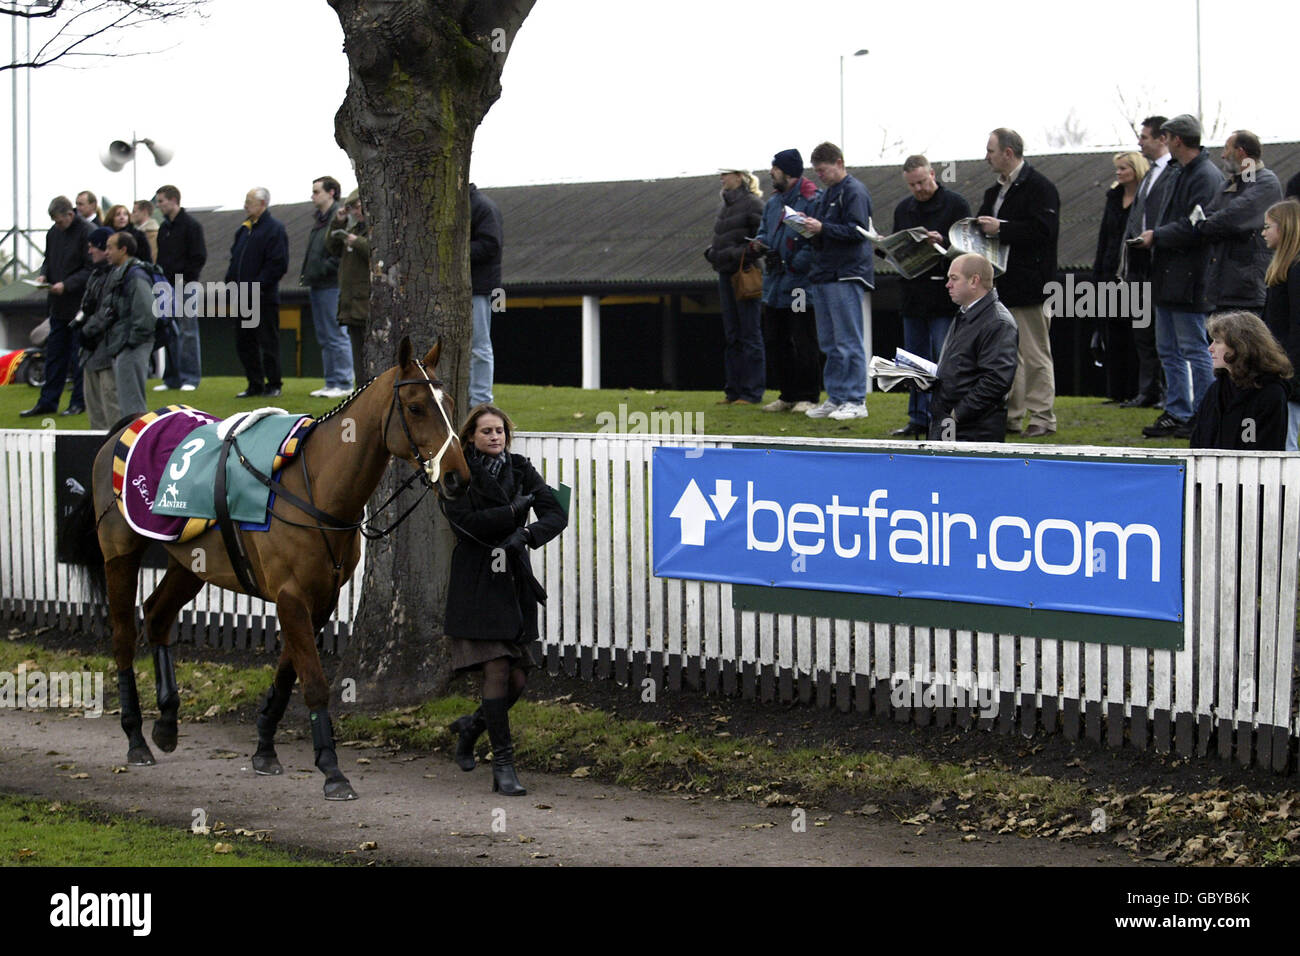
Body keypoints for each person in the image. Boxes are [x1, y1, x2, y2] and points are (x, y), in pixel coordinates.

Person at [441, 404, 568, 796]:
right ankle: (503, 767)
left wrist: (526, 535)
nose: (495, 437)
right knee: (496, 669)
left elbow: (556, 513)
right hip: (477, 581)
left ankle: (470, 727)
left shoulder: (520, 467)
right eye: (486, 432)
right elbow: (465, 524)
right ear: (471, 437)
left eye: (500, 431)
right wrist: (513, 510)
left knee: (517, 678)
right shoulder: (457, 473)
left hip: (513, 579)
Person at [1138, 114, 1225, 438]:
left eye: (1169, 135)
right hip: (1169, 277)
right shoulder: (1181, 171)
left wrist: (1156, 236)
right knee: (1169, 350)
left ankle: (1202, 413)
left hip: (1190, 279)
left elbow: (1197, 226)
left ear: (1176, 139)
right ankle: (1177, 411)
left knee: (1194, 350)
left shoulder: (1204, 175)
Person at [977, 128, 1060, 438]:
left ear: (1007, 153)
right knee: (1009, 355)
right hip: (1003, 286)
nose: (986, 157)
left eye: (990, 151)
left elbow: (1044, 231)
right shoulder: (992, 193)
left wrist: (1002, 227)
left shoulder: (1040, 188)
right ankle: (1011, 415)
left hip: (1031, 285)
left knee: (1035, 352)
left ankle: (1042, 417)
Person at [891, 154, 971, 435]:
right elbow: (897, 245)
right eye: (912, 185)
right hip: (913, 294)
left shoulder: (956, 205)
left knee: (944, 360)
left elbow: (970, 248)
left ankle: (946, 418)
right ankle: (918, 417)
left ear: (933, 175)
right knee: (914, 360)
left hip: (943, 295)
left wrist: (944, 242)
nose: (918, 189)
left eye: (922, 182)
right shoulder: (904, 209)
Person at [802, 141, 874, 420]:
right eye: (817, 171)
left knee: (848, 340)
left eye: (823, 170)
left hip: (846, 273)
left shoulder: (854, 191)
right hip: (824, 274)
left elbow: (858, 231)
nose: (820, 175)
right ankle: (836, 396)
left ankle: (856, 400)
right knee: (829, 342)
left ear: (839, 163)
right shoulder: (826, 194)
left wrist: (822, 228)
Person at [753, 149, 822, 414]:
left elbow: (813, 242)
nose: (771, 172)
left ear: (788, 171)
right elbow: (763, 232)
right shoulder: (772, 204)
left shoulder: (810, 200)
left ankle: (809, 395)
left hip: (798, 286)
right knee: (776, 339)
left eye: (775, 167)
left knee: (803, 338)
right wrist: (760, 245)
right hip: (773, 285)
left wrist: (795, 264)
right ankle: (787, 394)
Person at [927, 253, 1019, 442]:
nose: (948, 285)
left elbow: (996, 380)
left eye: (954, 278)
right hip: (952, 425)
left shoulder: (997, 322)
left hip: (973, 431)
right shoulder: (966, 313)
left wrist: (957, 414)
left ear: (974, 281)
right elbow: (960, 368)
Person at [1120, 116, 1174, 409]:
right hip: (1139, 264)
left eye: (1145, 137)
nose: (1140, 142)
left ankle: (1168, 394)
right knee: (1142, 330)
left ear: (1162, 138)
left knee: (1163, 333)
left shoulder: (1173, 174)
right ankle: (1148, 390)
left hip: (1160, 264)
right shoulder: (1150, 175)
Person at [20, 196, 91, 418]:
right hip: (57, 307)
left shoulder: (87, 231)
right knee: (54, 357)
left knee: (77, 358)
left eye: (60, 221)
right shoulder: (54, 233)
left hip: (79, 306)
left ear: (70, 214)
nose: (57, 225)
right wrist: (43, 275)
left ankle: (78, 402)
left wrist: (67, 285)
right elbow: (48, 260)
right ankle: (48, 402)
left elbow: (91, 269)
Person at [1199, 131, 1282, 315]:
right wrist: (1215, 222)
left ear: (1241, 152)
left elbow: (1234, 218)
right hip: (1222, 287)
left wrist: (1215, 222)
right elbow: (1207, 219)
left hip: (1247, 288)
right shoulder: (1231, 184)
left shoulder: (1266, 182)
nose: (1222, 155)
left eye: (1227, 148)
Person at [705, 165, 765, 406]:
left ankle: (751, 393)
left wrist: (731, 254)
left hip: (745, 274)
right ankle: (734, 391)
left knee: (749, 333)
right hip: (725, 273)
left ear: (739, 177)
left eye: (725, 174)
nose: (721, 178)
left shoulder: (753, 204)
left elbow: (762, 241)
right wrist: (712, 253)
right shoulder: (725, 206)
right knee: (732, 335)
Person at [1188, 311, 1291, 451]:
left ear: (1240, 346)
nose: (1210, 348)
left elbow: (1264, 449)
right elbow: (1198, 442)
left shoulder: (1270, 394)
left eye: (1217, 342)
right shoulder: (1216, 390)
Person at [1092, 150, 1149, 402]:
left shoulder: (1146, 198)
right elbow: (1104, 236)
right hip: (1109, 271)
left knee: (1135, 333)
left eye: (1124, 168)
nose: (1119, 172)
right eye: (1118, 168)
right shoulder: (1113, 198)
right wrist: (1098, 272)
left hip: (1134, 272)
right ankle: (1116, 392)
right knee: (1112, 333)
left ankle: (1137, 390)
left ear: (1135, 170)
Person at [225, 187, 288, 398]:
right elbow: (235, 260)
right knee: (244, 342)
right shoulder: (243, 230)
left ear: (262, 204)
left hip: (263, 298)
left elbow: (277, 264)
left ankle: (274, 384)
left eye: (249, 201)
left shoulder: (274, 229)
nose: (245, 206)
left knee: (267, 341)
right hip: (241, 297)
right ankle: (254, 384)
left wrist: (257, 286)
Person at [302, 175, 353, 399]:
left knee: (336, 334)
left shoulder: (338, 217)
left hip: (331, 285)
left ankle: (343, 382)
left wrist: (323, 268)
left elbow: (340, 252)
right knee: (324, 336)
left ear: (331, 192)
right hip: (316, 284)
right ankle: (331, 381)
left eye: (317, 191)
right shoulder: (320, 219)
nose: (313, 196)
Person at [153, 184, 208, 392]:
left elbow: (199, 256)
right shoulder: (164, 228)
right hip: (166, 286)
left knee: (188, 331)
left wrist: (186, 278)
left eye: (161, 201)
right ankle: (172, 379)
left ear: (173, 200)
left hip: (185, 285)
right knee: (170, 331)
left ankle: (190, 378)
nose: (159, 206)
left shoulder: (191, 226)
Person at [100, 232, 159, 421]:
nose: (106, 252)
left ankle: (137, 445)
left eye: (110, 247)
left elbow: (147, 314)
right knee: (127, 402)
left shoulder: (135, 275)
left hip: (133, 345)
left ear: (123, 250)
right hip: (127, 344)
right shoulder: (124, 273)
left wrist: (129, 342)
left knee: (132, 404)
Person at [1261, 199, 1300, 449]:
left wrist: (1289, 371)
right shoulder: (1284, 269)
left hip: (1291, 371)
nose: (1263, 232)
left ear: (1284, 228)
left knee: (1286, 441)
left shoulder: (1296, 270)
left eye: (1268, 226)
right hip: (1282, 367)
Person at [325, 189, 370, 388]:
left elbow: (378, 253)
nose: (356, 211)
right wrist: (338, 222)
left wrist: (357, 243)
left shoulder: (376, 228)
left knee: (370, 357)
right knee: (359, 359)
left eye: (358, 206)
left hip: (367, 304)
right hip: (352, 305)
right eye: (351, 208)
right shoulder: (354, 230)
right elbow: (331, 247)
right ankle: (361, 394)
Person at [75, 227, 120, 429]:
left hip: (108, 351)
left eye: (93, 247)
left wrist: (87, 330)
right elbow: (87, 306)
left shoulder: (117, 275)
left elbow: (108, 310)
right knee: (95, 415)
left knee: (113, 411)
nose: (90, 251)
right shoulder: (94, 274)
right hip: (90, 353)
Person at [469, 183, 503, 407]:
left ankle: (482, 400)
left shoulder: (481, 206)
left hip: (478, 286)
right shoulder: (474, 205)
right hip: (470, 286)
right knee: (475, 346)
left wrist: (456, 249)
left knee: (479, 345)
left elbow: (491, 244)